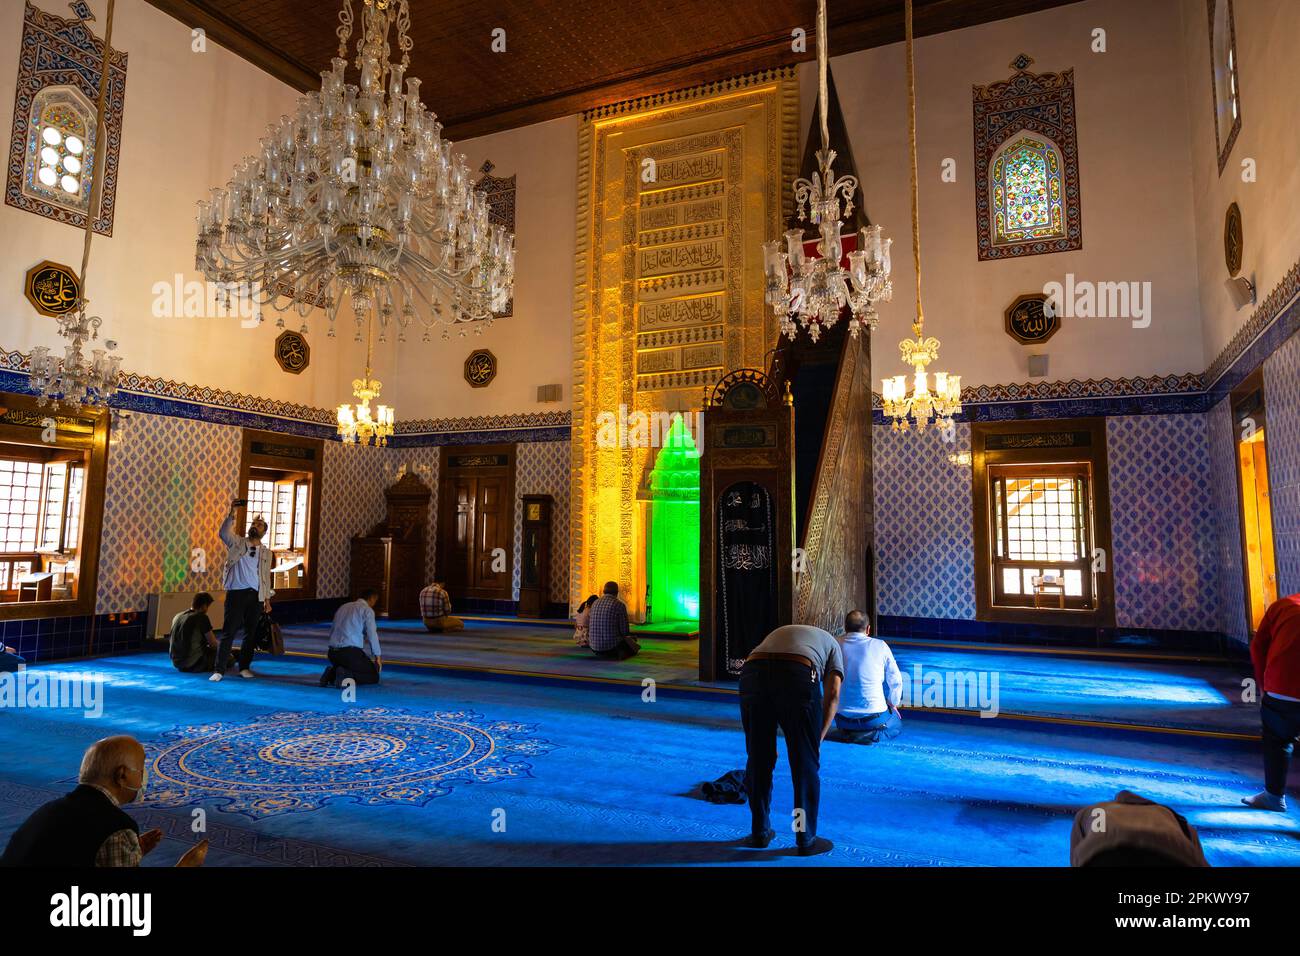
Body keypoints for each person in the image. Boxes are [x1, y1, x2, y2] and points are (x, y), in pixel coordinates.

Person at [0, 735, 207, 867]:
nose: (144, 776)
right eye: (142, 769)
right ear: (122, 775)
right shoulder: (116, 829)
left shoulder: (49, 810)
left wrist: (132, 855)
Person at [739, 622, 843, 856]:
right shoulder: (833, 645)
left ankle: (759, 832)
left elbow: (769, 667)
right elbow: (834, 694)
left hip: (752, 671)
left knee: (758, 758)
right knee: (803, 763)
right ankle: (804, 838)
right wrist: (816, 740)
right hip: (797, 674)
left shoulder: (782, 631)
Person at [1243, 592, 1300, 811]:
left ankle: (1274, 796)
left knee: (1277, 740)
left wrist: (1264, 685)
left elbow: (1258, 647)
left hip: (1282, 688)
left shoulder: (1282, 606)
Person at [214, 499, 274, 681]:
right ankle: (219, 669)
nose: (255, 526)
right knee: (228, 631)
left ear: (264, 532)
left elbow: (265, 577)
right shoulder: (238, 543)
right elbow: (223, 532)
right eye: (254, 523)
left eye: (260, 525)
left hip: (255, 595)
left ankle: (245, 667)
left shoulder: (266, 553)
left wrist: (267, 599)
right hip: (236, 592)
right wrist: (232, 512)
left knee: (251, 633)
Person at [829, 610, 903, 744]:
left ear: (845, 628)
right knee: (896, 724)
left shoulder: (834, 644)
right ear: (868, 629)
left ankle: (850, 733)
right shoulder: (880, 645)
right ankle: (867, 735)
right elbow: (896, 680)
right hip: (873, 720)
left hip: (841, 719)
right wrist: (893, 704)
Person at [320, 588, 383, 687]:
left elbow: (333, 629)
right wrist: (377, 657)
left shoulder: (343, 606)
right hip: (350, 654)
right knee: (373, 676)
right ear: (372, 598)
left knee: (349, 665)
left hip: (332, 654)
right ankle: (346, 676)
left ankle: (331, 674)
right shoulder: (367, 610)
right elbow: (372, 635)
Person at [168, 592, 220, 674]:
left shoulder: (178, 616)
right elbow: (213, 644)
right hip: (193, 663)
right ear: (204, 606)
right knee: (226, 657)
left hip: (176, 663)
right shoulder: (202, 617)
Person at [587, 582, 640, 660]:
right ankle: (619, 653)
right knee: (633, 645)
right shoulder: (619, 605)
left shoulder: (595, 603)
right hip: (611, 648)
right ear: (617, 592)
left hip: (594, 647)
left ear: (603, 591)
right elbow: (624, 631)